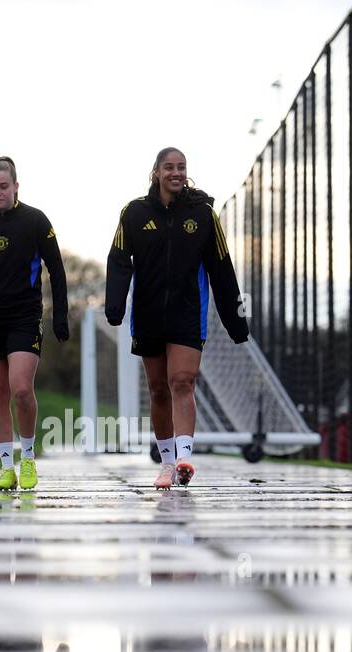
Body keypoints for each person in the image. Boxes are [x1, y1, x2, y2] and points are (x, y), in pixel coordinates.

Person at [105, 147, 248, 488]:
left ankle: (185, 457)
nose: (176, 172)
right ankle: (167, 464)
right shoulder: (134, 213)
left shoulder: (203, 214)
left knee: (182, 381)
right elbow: (119, 260)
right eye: (169, 167)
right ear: (155, 173)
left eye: (181, 167)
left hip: (187, 312)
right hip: (148, 313)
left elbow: (222, 268)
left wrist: (236, 321)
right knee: (157, 390)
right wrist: (115, 307)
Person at [0, 156, 68, 491]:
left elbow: (57, 270)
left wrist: (61, 316)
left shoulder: (35, 221)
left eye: (3, 186)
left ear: (16, 186)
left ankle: (29, 458)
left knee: (20, 388)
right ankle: (7, 468)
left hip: (24, 316)